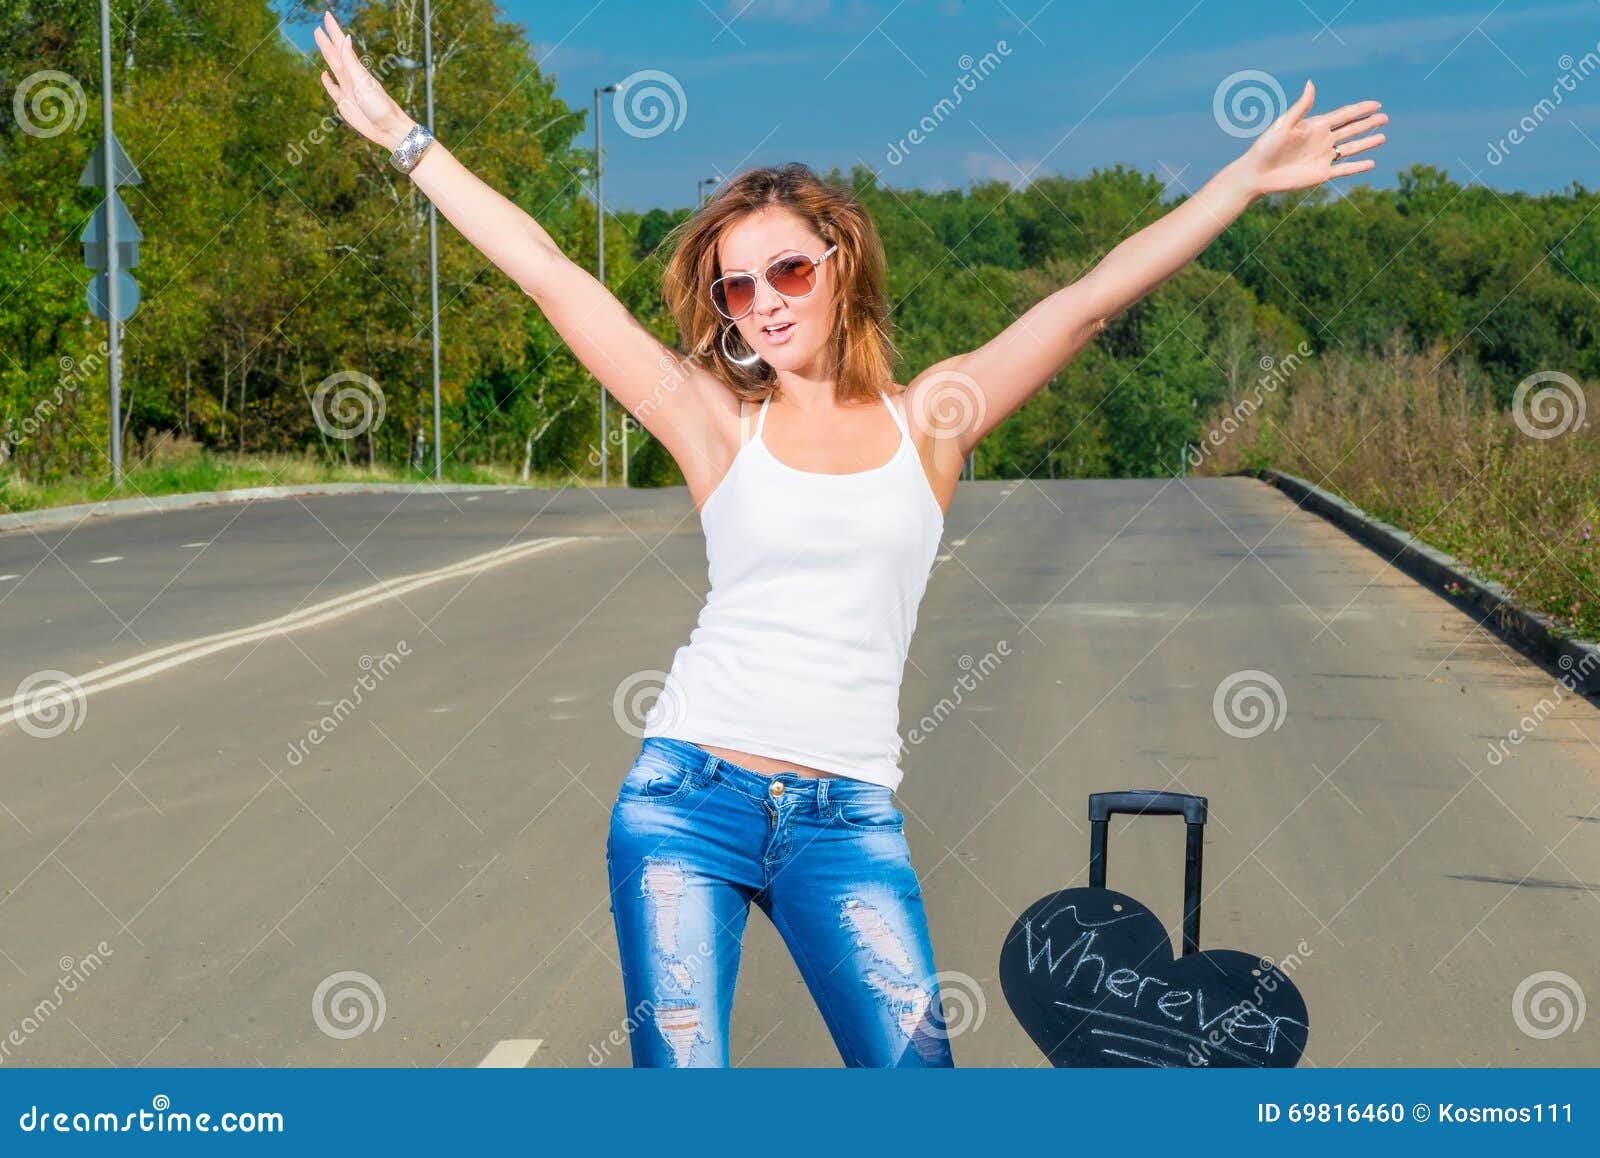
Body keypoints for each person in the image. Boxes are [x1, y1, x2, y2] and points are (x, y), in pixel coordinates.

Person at [312, 10, 1386, 1066]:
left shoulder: (933, 419)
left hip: (845, 822)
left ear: (837, 263)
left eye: (786, 271)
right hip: (686, 803)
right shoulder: (712, 421)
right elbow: (551, 274)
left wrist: (1239, 182)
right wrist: (406, 140)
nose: (764, 304)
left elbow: (1087, 302)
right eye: (738, 288)